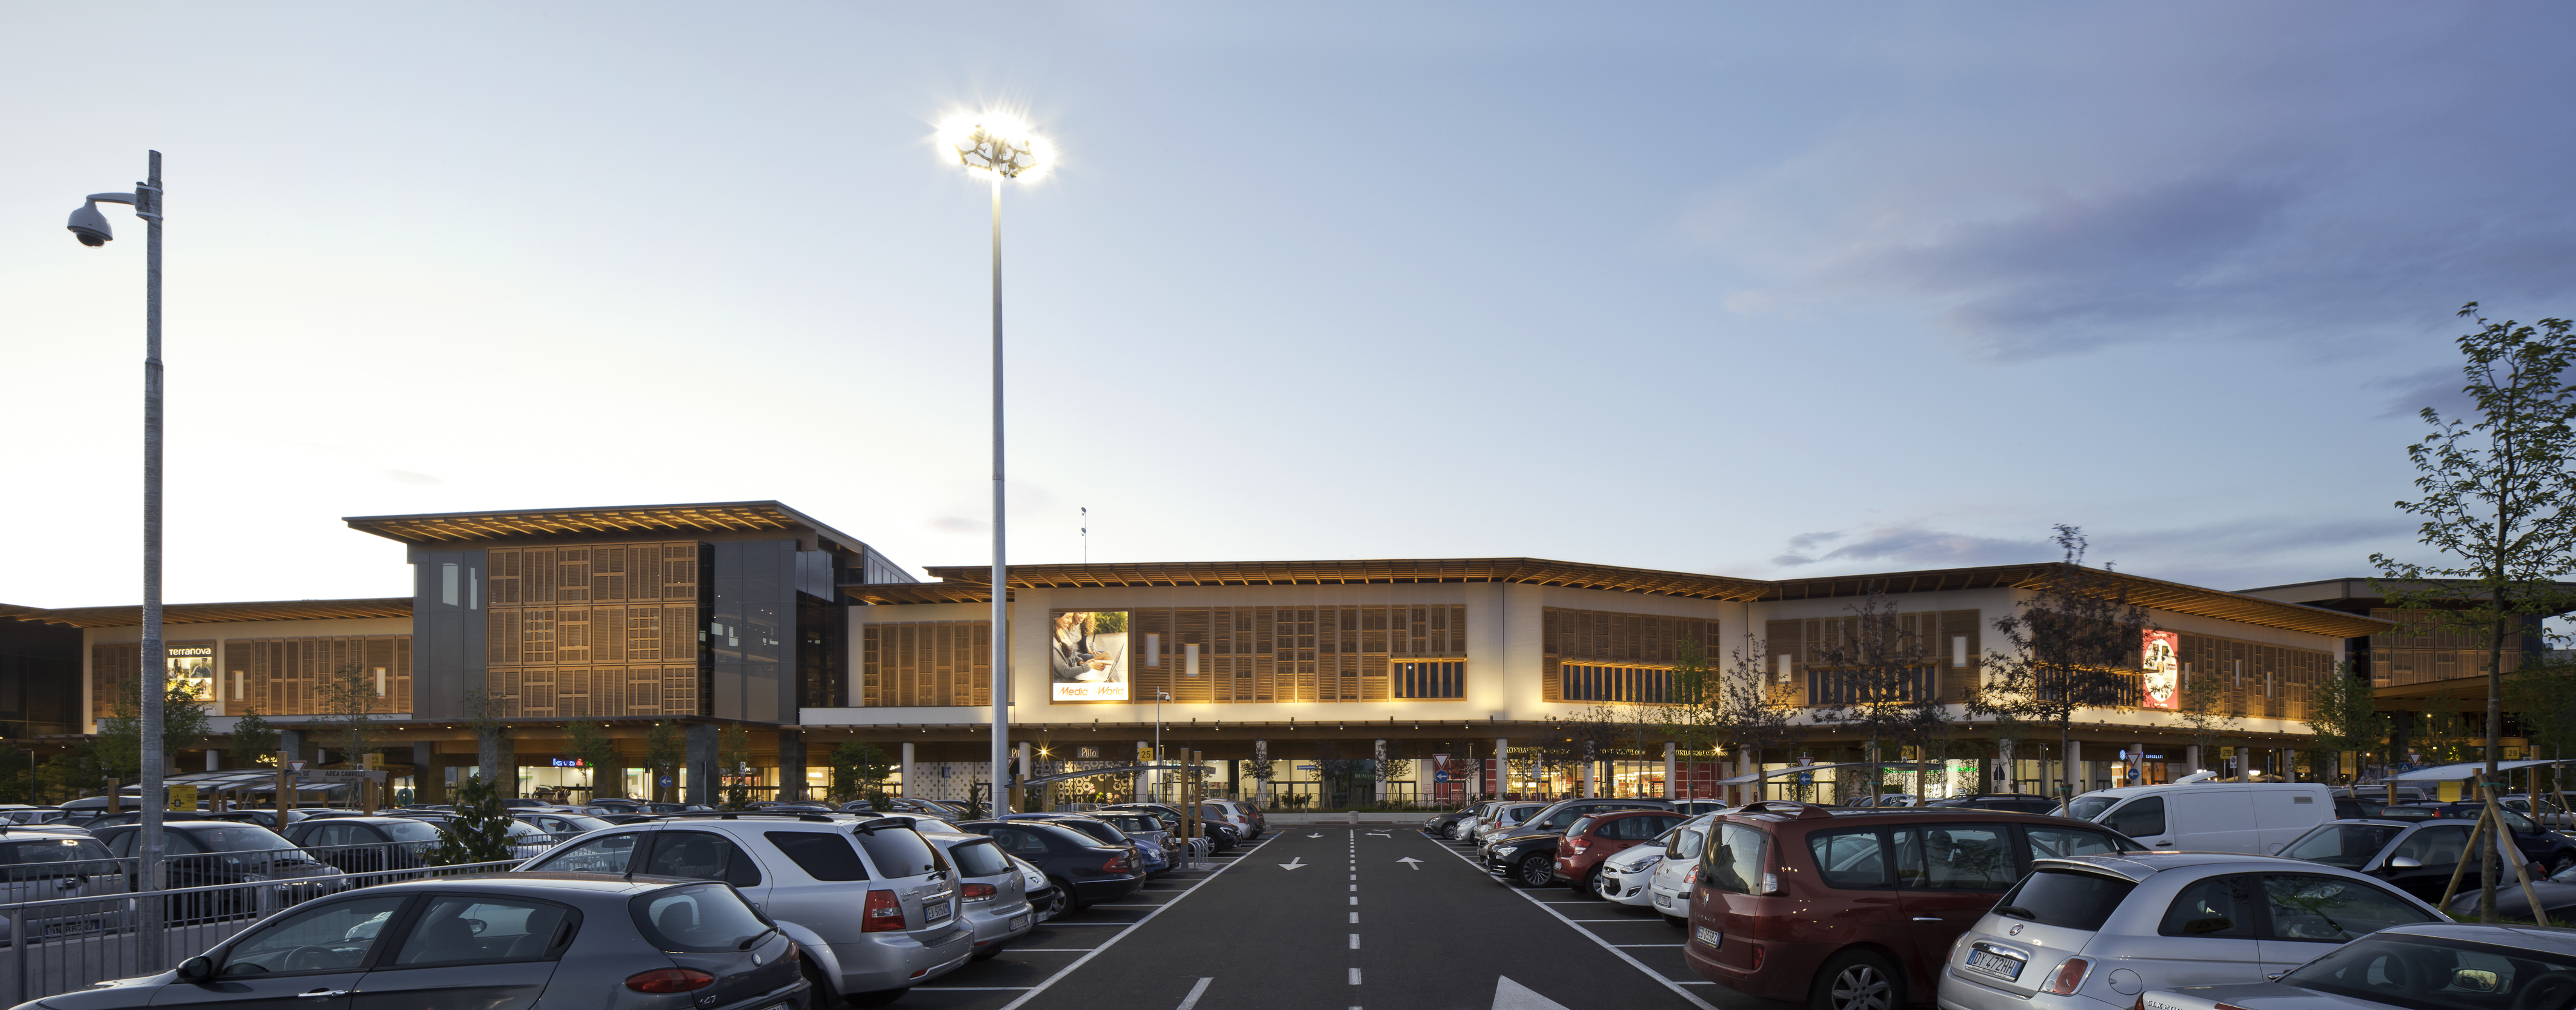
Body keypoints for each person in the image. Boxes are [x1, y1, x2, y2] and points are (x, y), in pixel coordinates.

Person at [1051, 612, 1114, 683]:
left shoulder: (1063, 631)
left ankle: (1109, 680)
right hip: (1068, 682)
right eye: (1067, 617)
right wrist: (1090, 666)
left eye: (1071, 618)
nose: (1070, 621)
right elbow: (1066, 672)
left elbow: (1072, 654)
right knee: (1099, 683)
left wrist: (1080, 662)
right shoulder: (1053, 644)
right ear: (1056, 617)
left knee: (1100, 679)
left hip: (1076, 674)